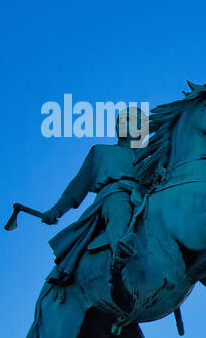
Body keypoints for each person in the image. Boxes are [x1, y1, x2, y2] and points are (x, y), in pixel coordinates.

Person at [43, 107, 147, 283]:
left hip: (144, 201)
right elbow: (77, 186)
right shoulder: (100, 152)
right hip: (114, 195)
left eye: (128, 119)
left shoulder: (149, 158)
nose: (121, 122)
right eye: (119, 120)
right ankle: (120, 253)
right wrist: (57, 210)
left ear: (142, 127)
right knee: (119, 205)